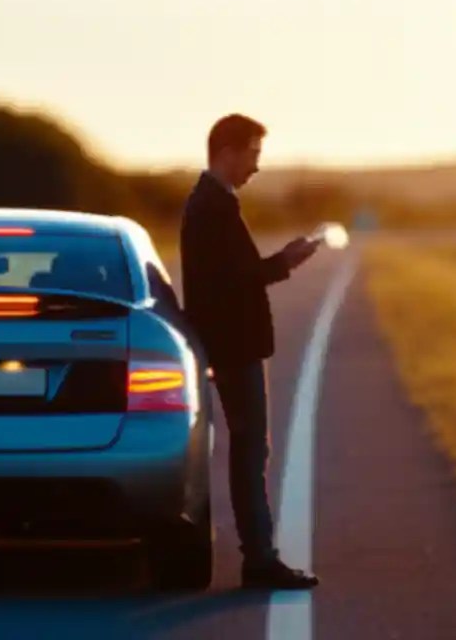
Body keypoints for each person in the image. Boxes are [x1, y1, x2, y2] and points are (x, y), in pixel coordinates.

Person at [179, 113, 321, 589]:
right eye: (253, 155)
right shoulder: (212, 207)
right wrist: (286, 262)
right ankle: (259, 559)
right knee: (249, 452)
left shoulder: (210, 204)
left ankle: (259, 555)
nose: (256, 167)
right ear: (227, 152)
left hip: (231, 345)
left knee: (247, 451)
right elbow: (233, 281)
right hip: (234, 347)